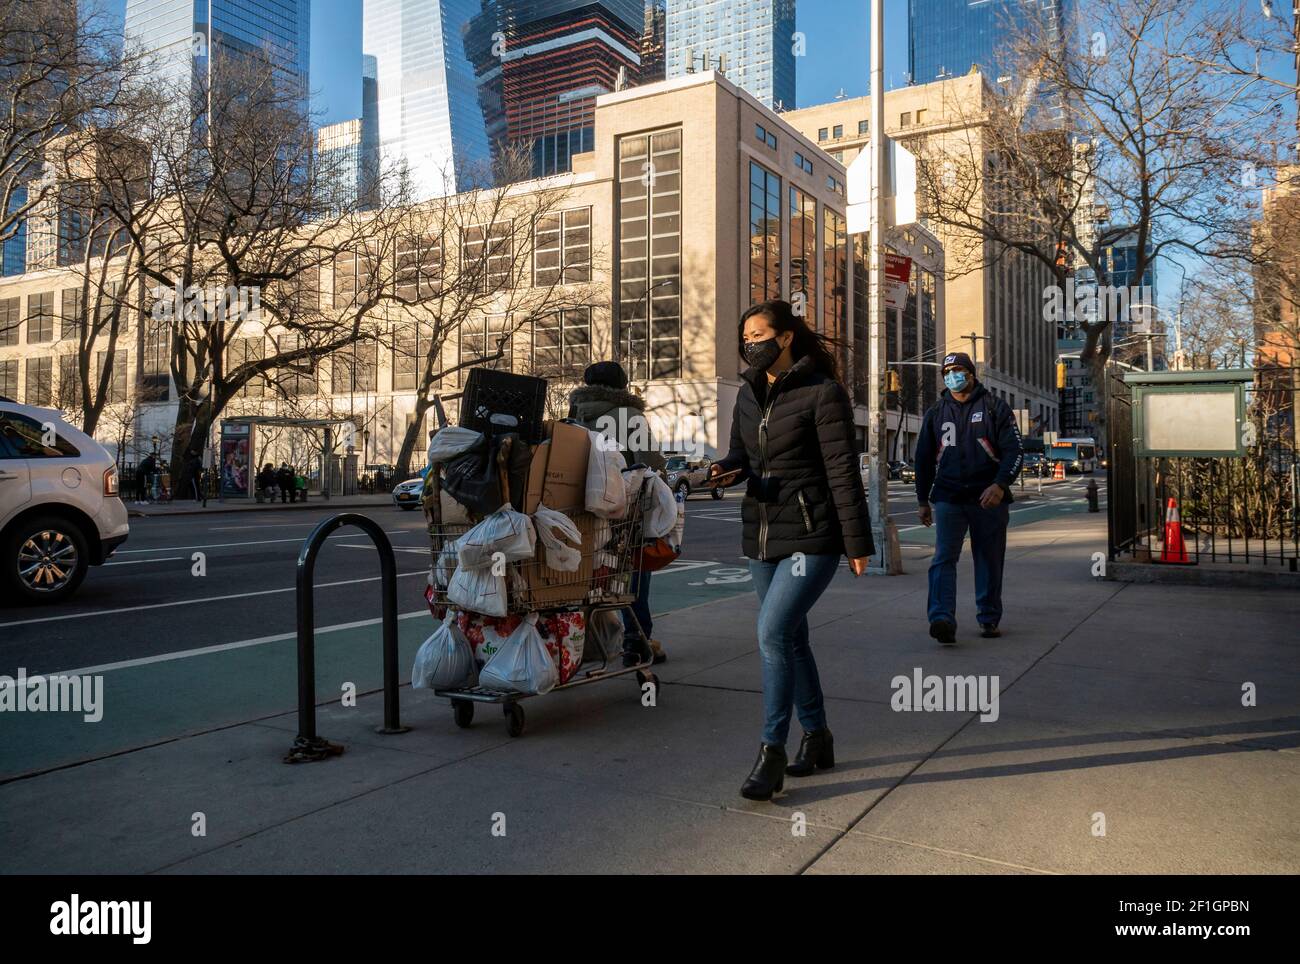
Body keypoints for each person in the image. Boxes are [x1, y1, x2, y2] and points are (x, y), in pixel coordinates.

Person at [709, 300, 874, 802]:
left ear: (784, 338)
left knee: (772, 634)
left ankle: (771, 751)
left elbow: (842, 471)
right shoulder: (746, 393)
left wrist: (857, 543)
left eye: (759, 334)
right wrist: (727, 469)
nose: (749, 343)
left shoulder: (823, 393)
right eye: (745, 336)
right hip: (761, 533)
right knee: (792, 640)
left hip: (812, 534)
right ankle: (819, 737)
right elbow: (741, 454)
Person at [914, 351, 1023, 645]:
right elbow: (923, 459)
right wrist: (923, 500)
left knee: (988, 559)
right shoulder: (936, 413)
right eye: (947, 371)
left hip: (989, 498)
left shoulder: (994, 407)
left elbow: (1014, 451)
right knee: (942, 559)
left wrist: (1000, 485)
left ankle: (988, 617)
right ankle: (941, 618)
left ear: (971, 374)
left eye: (958, 369)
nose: (952, 375)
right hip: (949, 496)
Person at [568, 360, 668, 667]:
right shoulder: (630, 415)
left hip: (582, 512)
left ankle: (577, 645)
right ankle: (636, 643)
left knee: (588, 579)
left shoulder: (573, 418)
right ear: (623, 386)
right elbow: (651, 462)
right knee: (633, 577)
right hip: (623, 510)